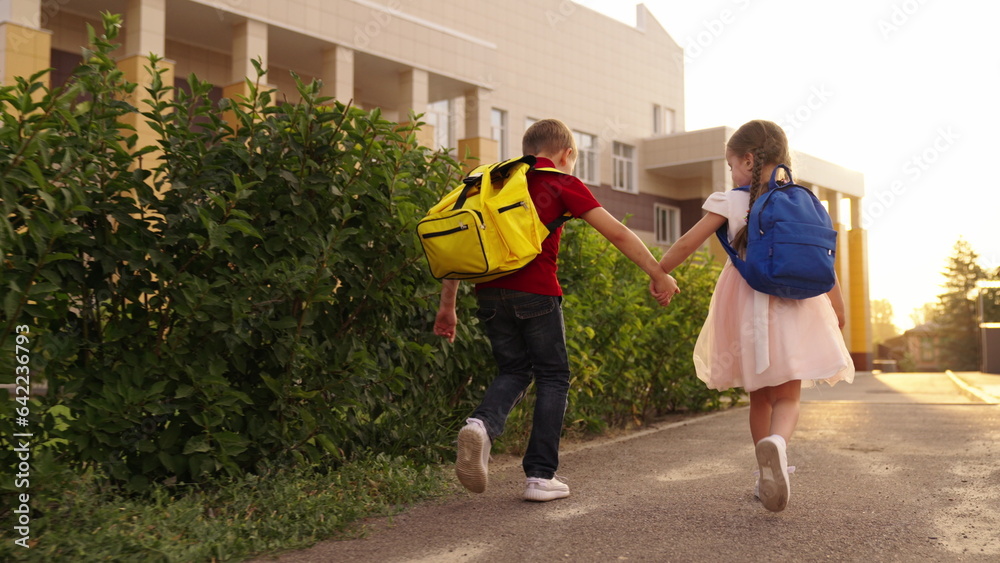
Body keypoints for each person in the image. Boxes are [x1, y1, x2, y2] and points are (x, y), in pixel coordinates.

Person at [434, 118, 679, 502]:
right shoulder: (561, 183)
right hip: (536, 293)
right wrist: (658, 273)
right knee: (553, 376)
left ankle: (481, 425)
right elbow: (617, 232)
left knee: (514, 369)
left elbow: (457, 243)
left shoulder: (493, 182)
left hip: (487, 294)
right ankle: (539, 476)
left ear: (528, 148)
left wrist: (448, 306)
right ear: (567, 154)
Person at [651, 119, 854, 512]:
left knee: (759, 396)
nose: (730, 173)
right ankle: (778, 446)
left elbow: (686, 242)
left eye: (731, 165)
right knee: (789, 396)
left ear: (746, 159)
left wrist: (660, 273)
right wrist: (838, 306)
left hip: (747, 301)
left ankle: (764, 474)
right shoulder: (803, 200)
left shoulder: (729, 201)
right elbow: (821, 258)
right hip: (796, 304)